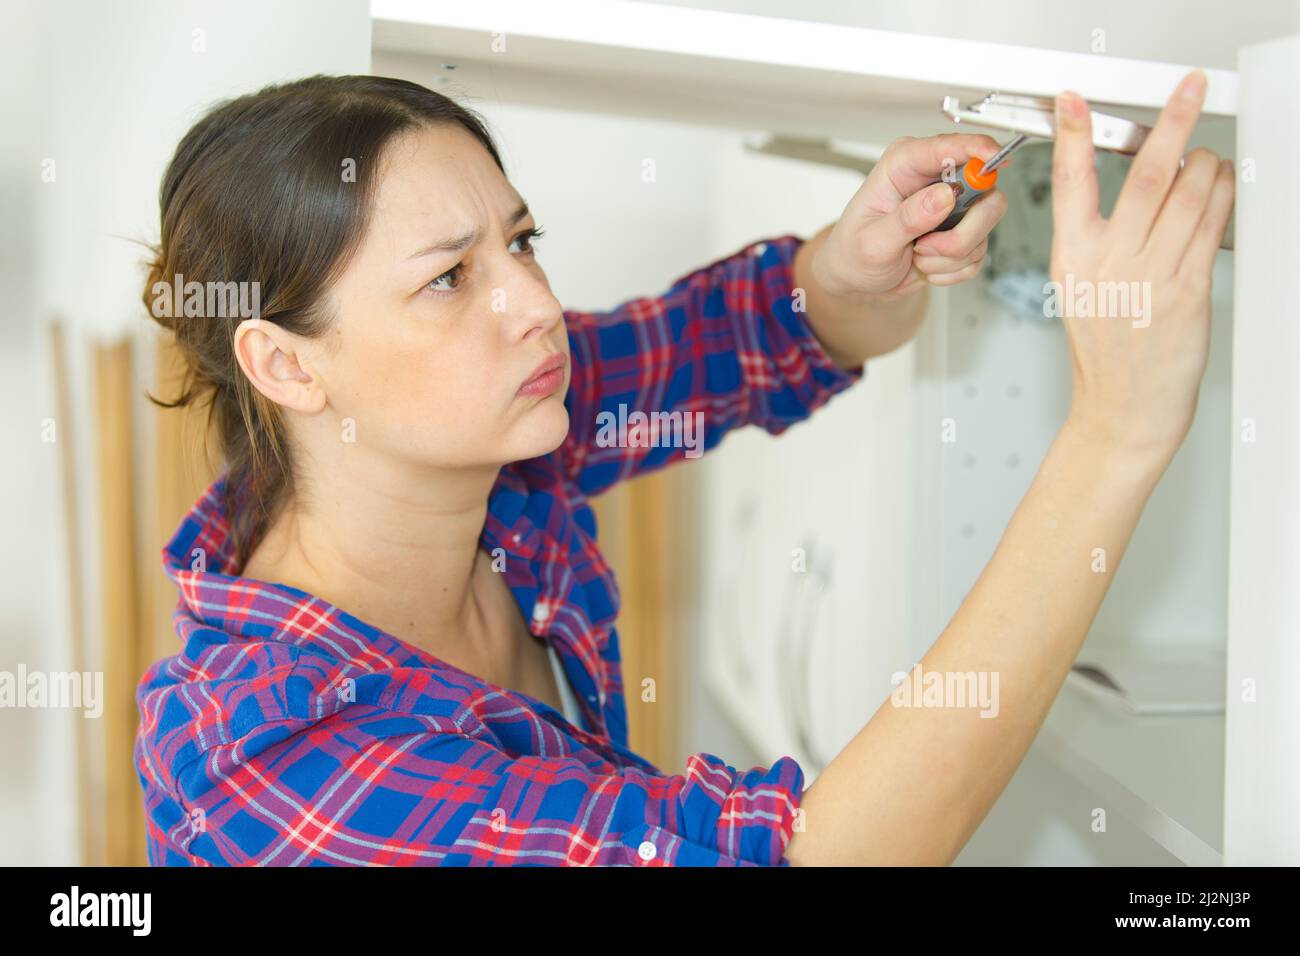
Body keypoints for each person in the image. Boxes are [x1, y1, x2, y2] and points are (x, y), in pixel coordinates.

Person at [135, 70, 1232, 866]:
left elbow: (730, 338)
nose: (533, 304)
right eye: (446, 280)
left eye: (519, 241)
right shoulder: (268, 760)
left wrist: (848, 269)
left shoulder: (480, 455)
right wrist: (1116, 432)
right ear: (284, 363)